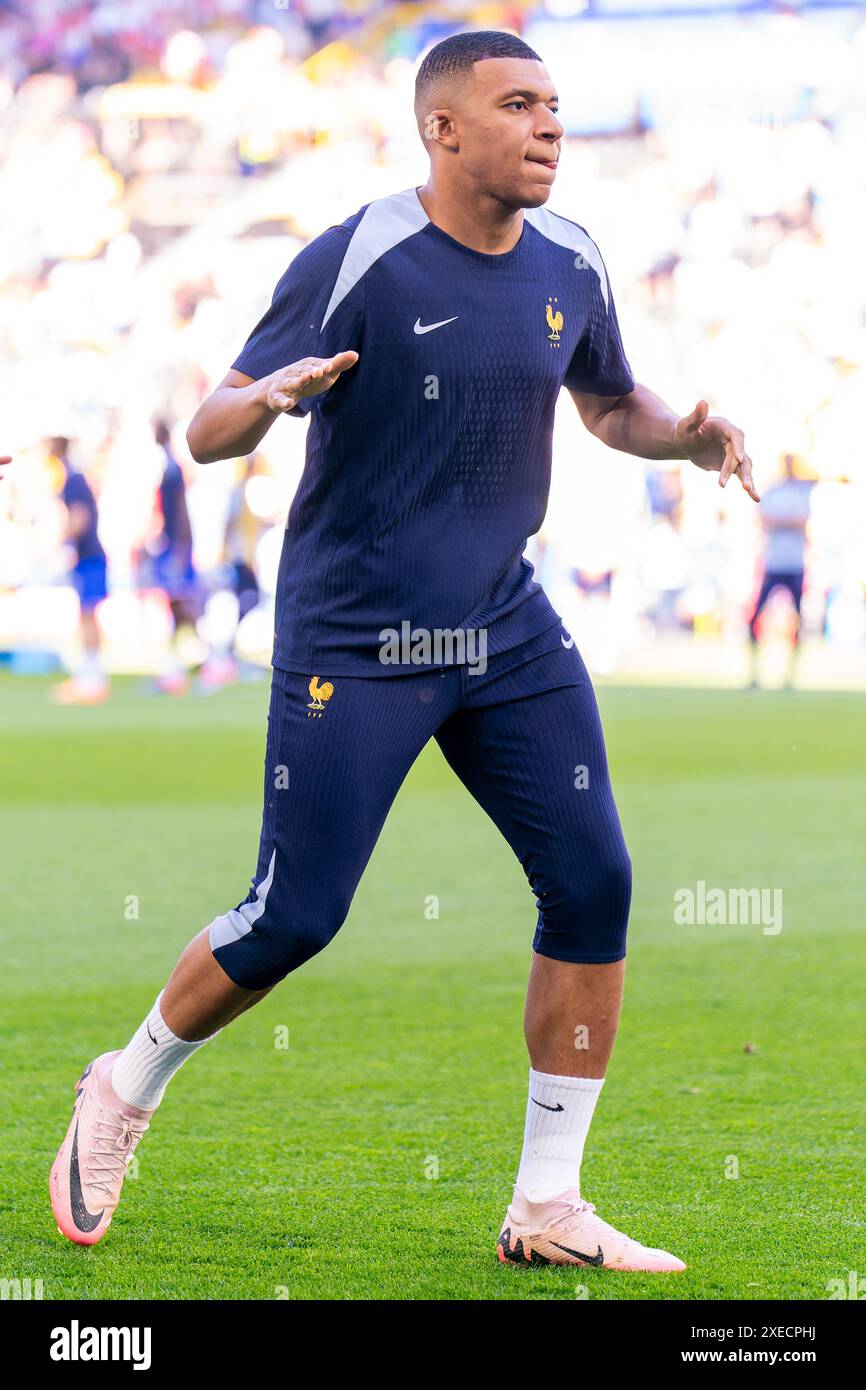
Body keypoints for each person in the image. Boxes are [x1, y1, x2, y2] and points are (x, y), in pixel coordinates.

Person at [50, 31, 758, 1270]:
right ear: (442, 130)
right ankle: (123, 1083)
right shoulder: (360, 255)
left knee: (593, 883)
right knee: (296, 917)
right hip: (355, 638)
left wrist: (682, 437)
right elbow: (208, 425)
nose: (547, 126)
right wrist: (266, 403)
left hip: (505, 626)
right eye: (516, 105)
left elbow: (606, 402)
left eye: (553, 105)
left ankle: (544, 1203)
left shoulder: (572, 258)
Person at [48, 436, 110, 705]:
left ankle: (92, 677)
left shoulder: (70, 478)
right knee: (87, 614)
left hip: (88, 557)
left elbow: (79, 516)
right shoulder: (76, 475)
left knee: (87, 614)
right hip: (91, 555)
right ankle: (91, 673)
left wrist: (61, 542)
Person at [748, 452, 813, 690]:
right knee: (755, 619)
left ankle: (790, 677)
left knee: (798, 622)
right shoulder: (773, 491)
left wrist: (781, 522)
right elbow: (766, 520)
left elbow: (801, 522)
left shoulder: (801, 492)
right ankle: (755, 674)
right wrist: (788, 522)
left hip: (795, 564)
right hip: (774, 562)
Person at [146, 420, 199, 696]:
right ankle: (179, 664)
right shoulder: (168, 465)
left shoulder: (171, 467)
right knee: (176, 604)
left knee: (181, 602)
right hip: (172, 543)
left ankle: (208, 657)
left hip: (176, 546)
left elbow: (179, 509)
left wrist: (178, 547)